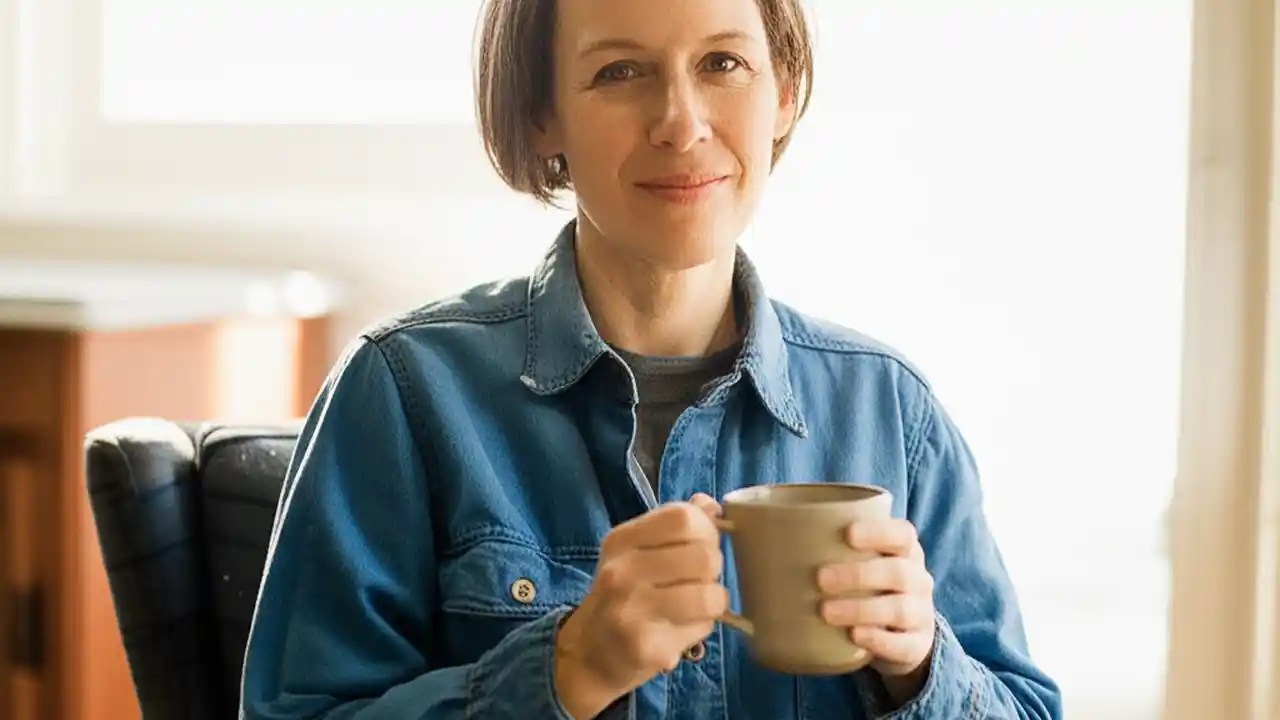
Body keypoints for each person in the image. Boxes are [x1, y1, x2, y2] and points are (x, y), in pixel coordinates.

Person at [240, 0, 1062, 717]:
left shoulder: (892, 410)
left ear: (783, 91)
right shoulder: (404, 392)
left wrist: (922, 667)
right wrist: (568, 671)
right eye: (621, 71)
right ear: (541, 116)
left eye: (723, 62)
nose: (682, 120)